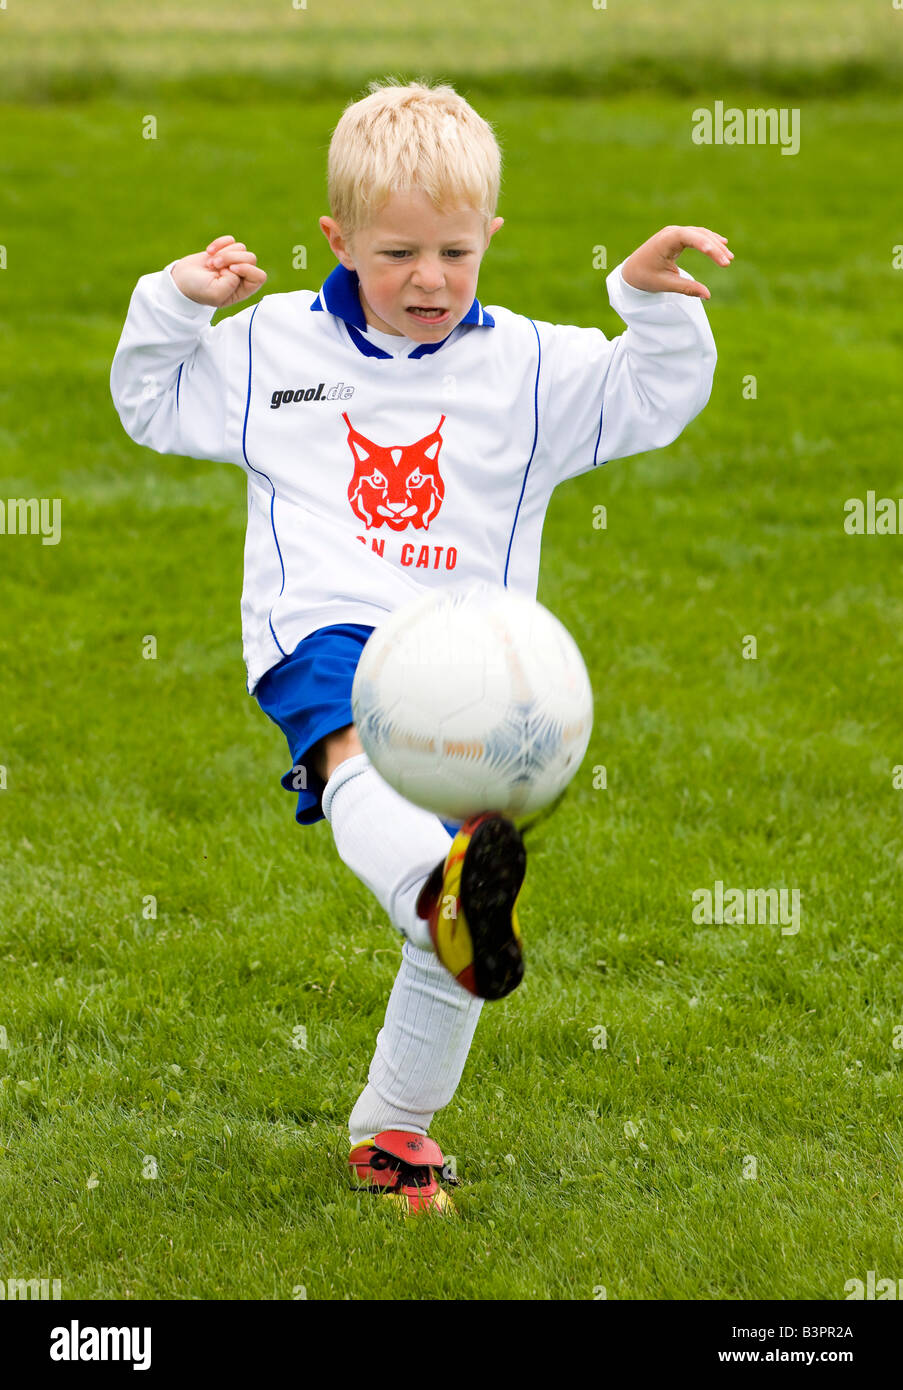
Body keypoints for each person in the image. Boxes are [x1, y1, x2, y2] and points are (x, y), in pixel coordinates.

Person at [110, 78, 730, 1216]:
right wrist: (176, 302)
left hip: (472, 671)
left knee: (455, 908)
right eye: (396, 254)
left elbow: (656, 396)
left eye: (455, 249)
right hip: (322, 633)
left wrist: (646, 302)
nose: (430, 278)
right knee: (364, 765)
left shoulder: (533, 369)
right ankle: (434, 889)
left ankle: (397, 1129)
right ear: (338, 240)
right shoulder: (272, 347)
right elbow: (150, 403)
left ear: (491, 234)